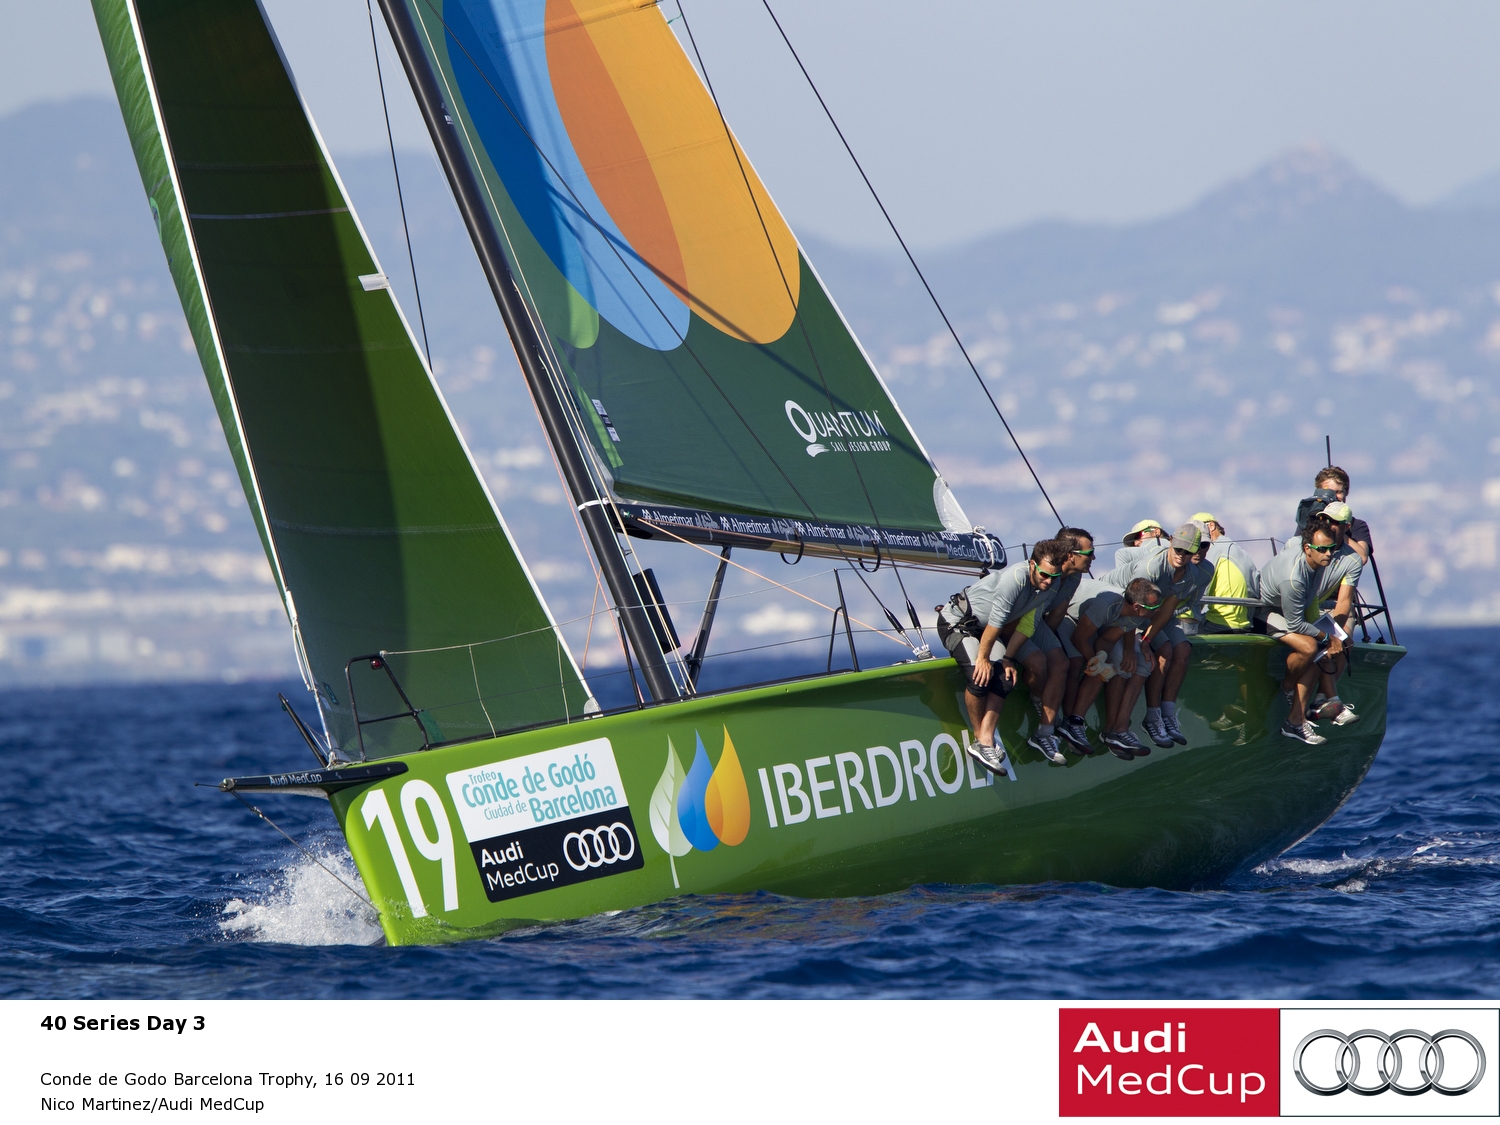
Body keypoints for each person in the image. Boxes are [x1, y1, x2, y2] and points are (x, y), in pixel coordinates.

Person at [937, 539, 1071, 771]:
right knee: (979, 675)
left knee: (1005, 678)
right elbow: (997, 622)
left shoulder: (1052, 584)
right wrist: (983, 659)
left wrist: (1008, 658)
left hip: (987, 631)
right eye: (1044, 574)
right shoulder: (1015, 579)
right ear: (1032, 565)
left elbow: (1027, 624)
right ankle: (981, 741)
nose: (1049, 581)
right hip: (959, 623)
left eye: (1054, 576)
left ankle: (986, 737)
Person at [1099, 524, 1203, 748]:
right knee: (1138, 660)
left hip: (1148, 612)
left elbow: (1167, 610)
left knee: (1174, 650)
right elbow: (1131, 609)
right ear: (1171, 541)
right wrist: (1132, 648)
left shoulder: (1191, 574)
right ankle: (1119, 729)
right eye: (1178, 549)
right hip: (1118, 608)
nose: (1181, 555)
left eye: (1188, 552)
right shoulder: (1150, 568)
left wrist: (1146, 640)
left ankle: (1160, 715)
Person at [1256, 516, 1345, 744]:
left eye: (1331, 548)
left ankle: (1295, 721)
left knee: (1321, 650)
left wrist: (1333, 637)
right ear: (1307, 549)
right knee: (1309, 647)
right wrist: (1328, 637)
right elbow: (1295, 624)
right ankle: (1287, 686)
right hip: (1263, 612)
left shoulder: (1319, 561)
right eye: (1322, 549)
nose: (1328, 554)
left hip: (1288, 611)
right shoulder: (1294, 578)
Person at [1054, 577, 1161, 759]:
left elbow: (1107, 640)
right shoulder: (1107, 604)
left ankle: (1102, 729)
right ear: (1137, 606)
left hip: (1094, 625)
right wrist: (1095, 661)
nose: (1157, 610)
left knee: (1105, 668)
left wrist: (1104, 657)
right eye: (1153, 607)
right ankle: (1071, 723)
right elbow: (1078, 638)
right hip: (1069, 616)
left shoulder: (1137, 614)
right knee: (1078, 662)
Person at [1192, 511, 1260, 633]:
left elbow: (1198, 593)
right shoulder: (1240, 551)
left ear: (1211, 526)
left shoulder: (1213, 549)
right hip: (1246, 624)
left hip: (1218, 624)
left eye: (1196, 530)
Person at [1311, 467, 1372, 563]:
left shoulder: (1357, 525)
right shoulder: (1311, 520)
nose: (1334, 497)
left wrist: (1339, 530)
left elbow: (1362, 558)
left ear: (1346, 492)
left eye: (1338, 492)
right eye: (1329, 493)